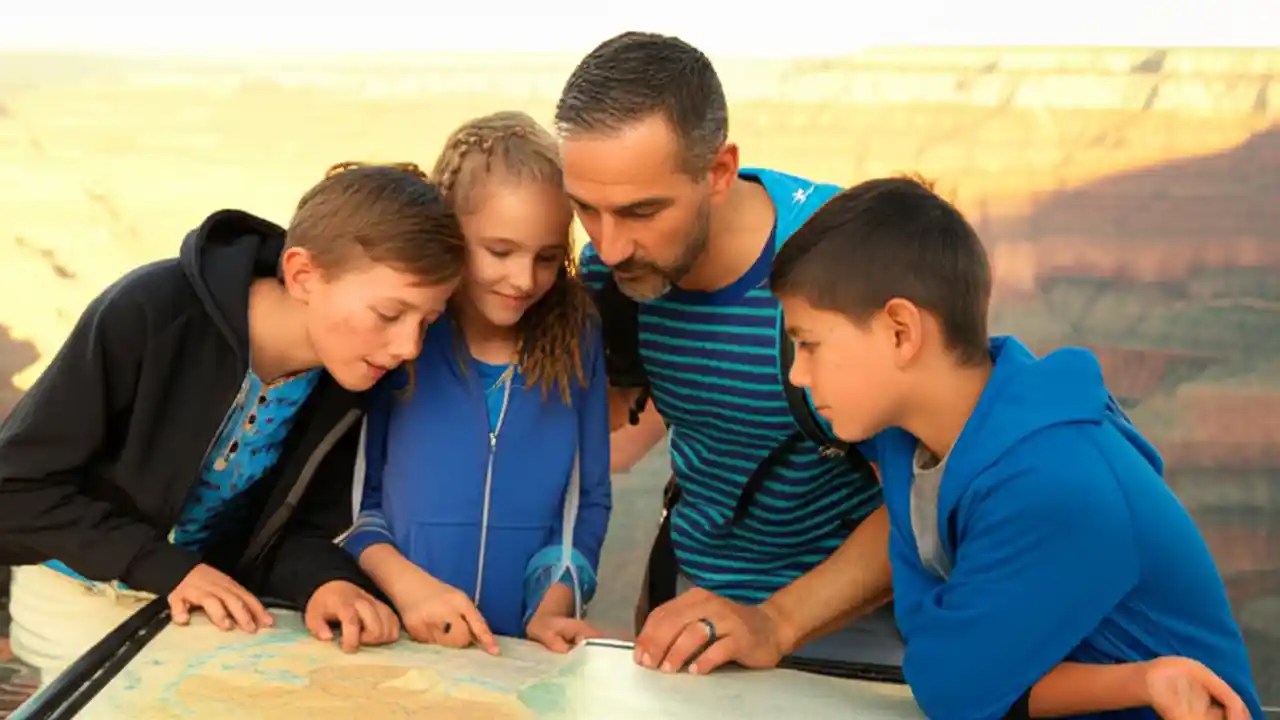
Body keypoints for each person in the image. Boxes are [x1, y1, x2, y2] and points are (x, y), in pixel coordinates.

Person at [769, 175, 1262, 720]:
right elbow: (937, 654)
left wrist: (1138, 682)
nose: (799, 373)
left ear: (900, 332)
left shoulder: (1054, 481)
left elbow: (950, 687)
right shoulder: (904, 445)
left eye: (809, 343)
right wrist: (1137, 680)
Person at [0, 162, 466, 685]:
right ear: (303, 275)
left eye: (427, 321)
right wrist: (166, 568)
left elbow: (296, 531)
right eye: (388, 314)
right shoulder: (152, 313)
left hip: (206, 608)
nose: (409, 347)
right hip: (78, 596)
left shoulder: (351, 379)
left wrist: (324, 584)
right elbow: (15, 488)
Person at [554, 30, 899, 674]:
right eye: (586, 210)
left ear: (718, 171)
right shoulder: (611, 274)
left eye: (641, 211)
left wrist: (776, 621)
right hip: (695, 609)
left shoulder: (846, 263)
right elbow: (599, 439)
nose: (611, 244)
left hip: (864, 628)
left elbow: (927, 501)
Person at [342, 111, 612, 654]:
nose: (523, 280)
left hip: (518, 656)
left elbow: (587, 500)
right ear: (450, 231)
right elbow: (352, 506)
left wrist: (554, 605)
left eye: (546, 258)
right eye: (500, 251)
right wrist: (409, 591)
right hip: (394, 644)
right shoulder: (403, 344)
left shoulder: (578, 335)